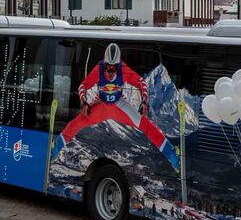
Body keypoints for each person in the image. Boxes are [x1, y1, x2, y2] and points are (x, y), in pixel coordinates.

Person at [50, 43, 178, 170]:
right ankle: (54, 151)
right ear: (104, 63)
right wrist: (84, 102)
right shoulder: (99, 68)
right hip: (102, 106)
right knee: (75, 124)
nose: (110, 71)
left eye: (114, 67)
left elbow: (141, 83)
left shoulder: (123, 69)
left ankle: (172, 155)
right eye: (107, 66)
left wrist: (144, 101)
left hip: (119, 106)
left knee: (147, 125)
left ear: (118, 65)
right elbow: (83, 86)